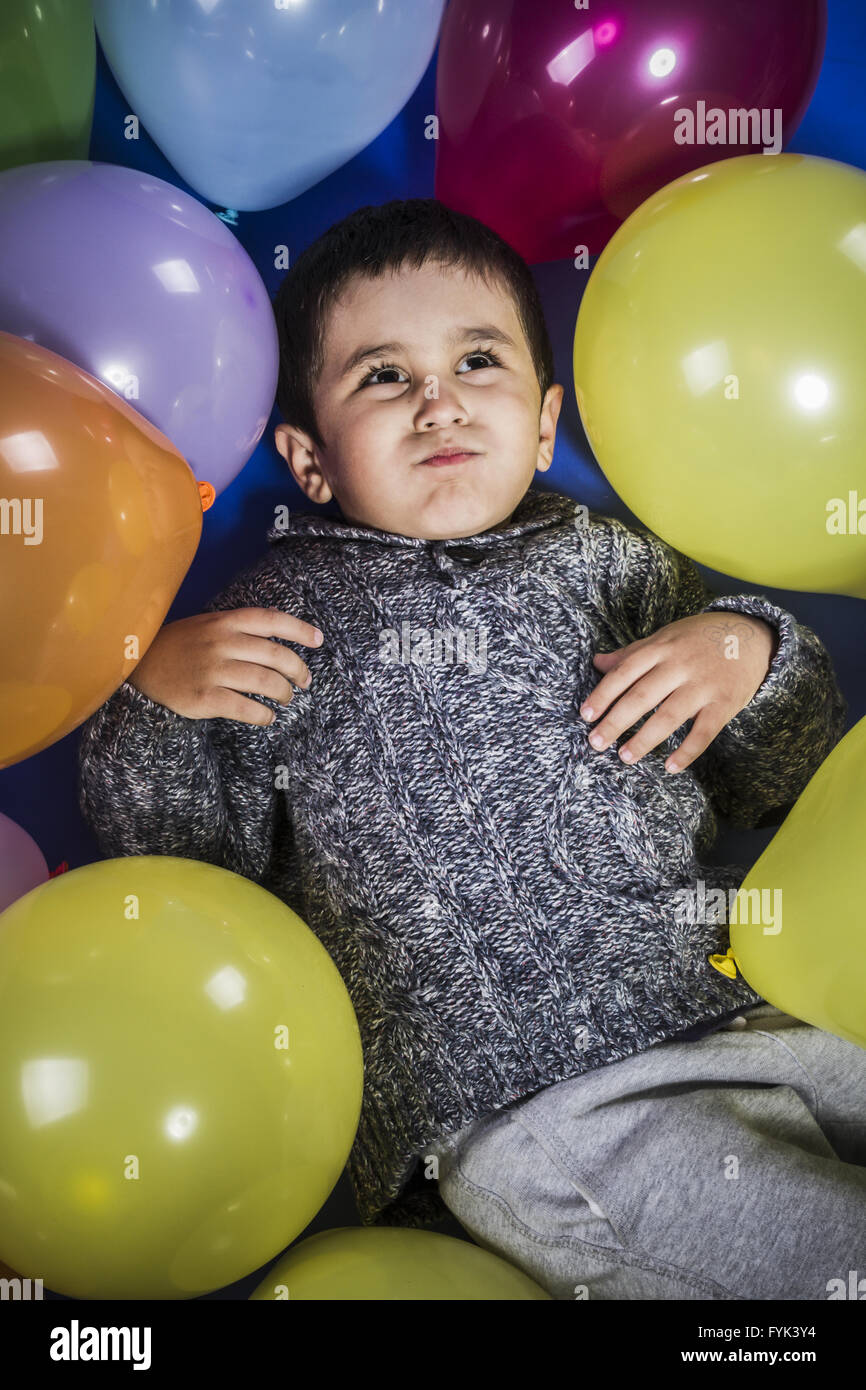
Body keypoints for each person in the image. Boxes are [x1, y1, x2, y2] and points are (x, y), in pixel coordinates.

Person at [78, 198, 866, 1300]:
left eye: (477, 359)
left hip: (751, 1002)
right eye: (382, 376)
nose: (438, 400)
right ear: (308, 459)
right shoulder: (275, 617)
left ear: (543, 424)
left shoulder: (607, 563)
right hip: (533, 1113)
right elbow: (181, 866)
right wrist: (156, 692)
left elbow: (772, 777)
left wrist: (745, 649)